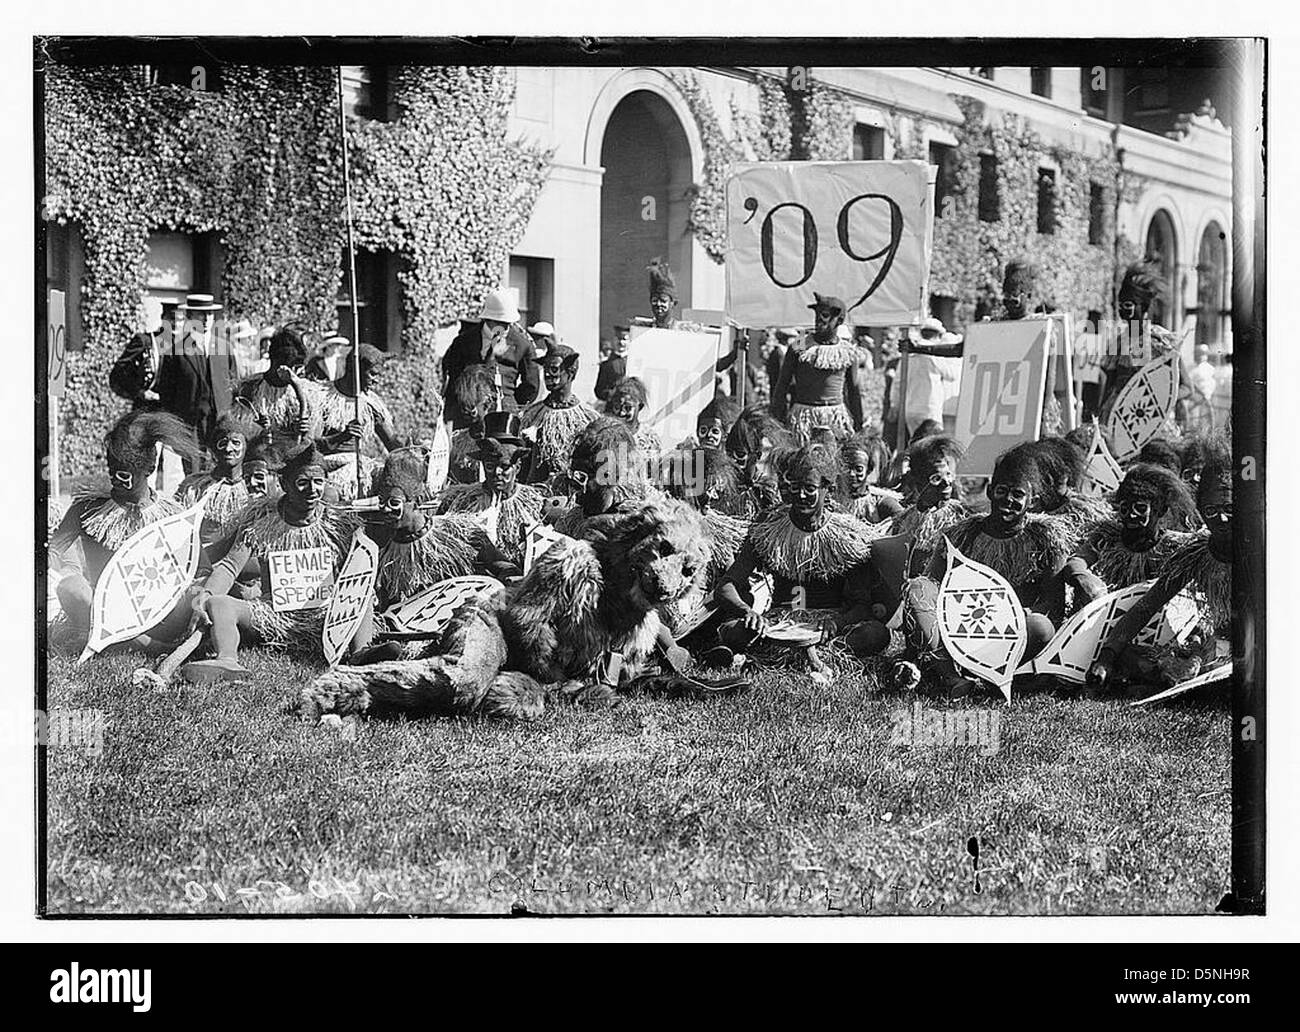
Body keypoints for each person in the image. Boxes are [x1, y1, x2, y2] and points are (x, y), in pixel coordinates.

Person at [180, 441, 361, 681]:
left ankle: (361, 653)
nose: (312, 490)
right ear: (285, 484)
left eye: (318, 482)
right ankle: (226, 660)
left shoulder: (337, 524)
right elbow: (230, 566)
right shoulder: (261, 520)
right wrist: (204, 597)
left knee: (362, 595)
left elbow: (360, 570)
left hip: (325, 619)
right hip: (272, 617)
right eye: (303, 482)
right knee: (220, 604)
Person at [706, 442, 891, 677]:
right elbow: (726, 586)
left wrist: (837, 623)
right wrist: (747, 612)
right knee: (734, 630)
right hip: (778, 624)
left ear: (828, 488)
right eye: (795, 487)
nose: (801, 495)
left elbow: (862, 604)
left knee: (877, 633)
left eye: (810, 488)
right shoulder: (769, 527)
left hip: (827, 627)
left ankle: (806, 654)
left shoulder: (846, 536)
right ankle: (809, 657)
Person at [1087, 433, 1232, 693]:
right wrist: (1106, 657)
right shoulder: (1195, 555)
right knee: (1130, 657)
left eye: (1230, 510)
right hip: (1214, 653)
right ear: (1200, 510)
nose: (1221, 519)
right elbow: (1145, 607)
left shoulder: (1262, 552)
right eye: (1211, 511)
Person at [49, 411, 201, 653]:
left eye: (124, 472)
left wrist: (199, 597)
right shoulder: (86, 509)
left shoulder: (172, 515)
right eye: (111, 468)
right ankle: (145, 646)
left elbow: (200, 569)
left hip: (157, 615)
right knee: (71, 588)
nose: (114, 479)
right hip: (102, 610)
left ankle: (129, 641)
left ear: (149, 469)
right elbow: (54, 551)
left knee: (195, 594)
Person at [1060, 463, 1196, 609]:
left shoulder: (1173, 548)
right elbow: (1077, 560)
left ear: (1160, 511)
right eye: (1125, 508)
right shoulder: (1106, 537)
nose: (1131, 515)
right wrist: (1083, 577)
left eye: (1140, 508)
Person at [131, 293, 240, 472]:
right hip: (191, 425)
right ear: (190, 317)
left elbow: (235, 386)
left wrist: (232, 418)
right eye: (200, 314)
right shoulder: (176, 352)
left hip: (221, 423)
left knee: (223, 472)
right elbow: (167, 394)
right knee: (194, 473)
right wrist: (176, 427)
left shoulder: (224, 348)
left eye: (210, 315)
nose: (206, 320)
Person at [436, 412, 547, 569]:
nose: (496, 472)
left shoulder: (533, 503)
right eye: (490, 466)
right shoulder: (462, 501)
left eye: (505, 467)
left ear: (518, 467)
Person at [770, 293, 870, 442]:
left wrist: (859, 426)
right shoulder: (800, 344)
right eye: (817, 315)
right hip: (803, 419)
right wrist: (778, 421)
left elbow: (854, 391)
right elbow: (782, 385)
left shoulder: (847, 350)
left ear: (839, 320)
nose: (819, 320)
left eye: (825, 315)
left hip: (835, 419)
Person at [441, 288, 540, 429]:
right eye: (501, 322)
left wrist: (510, 403)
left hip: (504, 420)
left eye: (509, 323)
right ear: (488, 319)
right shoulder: (463, 342)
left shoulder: (523, 345)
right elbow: (453, 380)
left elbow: (531, 386)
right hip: (468, 417)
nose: (506, 328)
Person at [318, 342, 405, 500]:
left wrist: (412, 454)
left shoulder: (371, 403)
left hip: (360, 467)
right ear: (355, 370)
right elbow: (310, 444)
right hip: (328, 468)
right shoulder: (323, 397)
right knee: (328, 495)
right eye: (372, 374)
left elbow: (393, 444)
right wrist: (340, 437)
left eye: (378, 375)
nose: (377, 380)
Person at [885, 433, 974, 575]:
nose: (946, 482)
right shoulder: (902, 522)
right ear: (920, 483)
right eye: (936, 478)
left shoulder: (963, 518)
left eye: (948, 474)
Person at [176, 408, 265, 545]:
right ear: (214, 449)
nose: (229, 449)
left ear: (246, 447)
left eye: (236, 443)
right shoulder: (194, 486)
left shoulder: (256, 486)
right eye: (223, 443)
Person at [520, 341, 600, 486]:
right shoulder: (532, 415)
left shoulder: (587, 418)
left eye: (554, 369)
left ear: (571, 372)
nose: (548, 374)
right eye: (545, 370)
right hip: (537, 489)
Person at [237, 325, 320, 444]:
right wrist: (256, 428)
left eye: (295, 369)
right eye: (285, 369)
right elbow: (237, 431)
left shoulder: (308, 392)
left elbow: (315, 438)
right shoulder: (250, 388)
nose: (290, 374)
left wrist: (304, 430)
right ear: (273, 361)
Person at [897, 317, 964, 439]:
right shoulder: (934, 354)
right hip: (930, 409)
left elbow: (898, 382)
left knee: (915, 443)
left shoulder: (908, 353)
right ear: (938, 335)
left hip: (910, 408)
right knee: (929, 446)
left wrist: (894, 404)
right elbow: (951, 375)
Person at [446, 364, 502, 485]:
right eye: (464, 406)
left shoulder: (507, 440)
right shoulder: (460, 443)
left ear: (488, 402)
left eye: (472, 408)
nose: (467, 413)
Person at [837, 429, 903, 525]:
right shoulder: (833, 500)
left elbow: (905, 521)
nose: (851, 474)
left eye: (858, 469)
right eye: (846, 468)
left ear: (869, 470)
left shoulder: (879, 502)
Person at [604, 376, 662, 469]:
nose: (621, 412)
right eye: (617, 406)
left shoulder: (649, 439)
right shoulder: (605, 435)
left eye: (627, 407)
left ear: (640, 407)